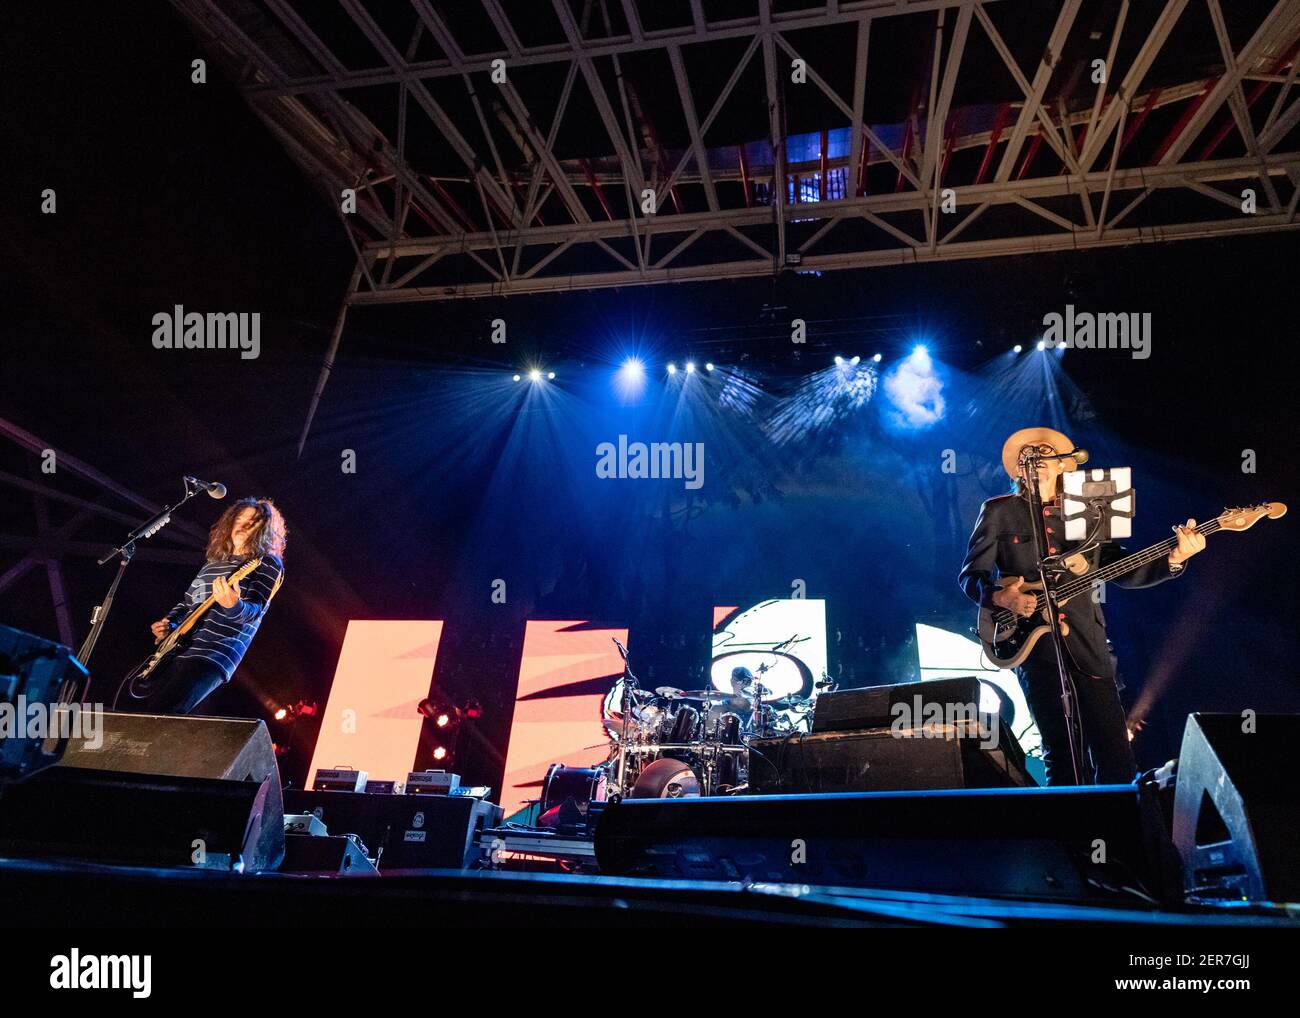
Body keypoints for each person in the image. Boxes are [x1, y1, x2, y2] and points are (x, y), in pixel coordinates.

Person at [958, 428, 1204, 784]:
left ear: (1063, 466)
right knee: (1060, 750)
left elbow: (1119, 567)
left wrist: (1175, 558)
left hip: (1086, 643)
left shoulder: (1089, 512)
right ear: (1018, 468)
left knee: (1115, 752)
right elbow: (971, 575)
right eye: (1030, 453)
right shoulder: (998, 511)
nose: (1038, 457)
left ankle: (1118, 834)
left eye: (1046, 452)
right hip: (1030, 642)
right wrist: (999, 596)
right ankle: (1072, 836)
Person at [117, 496, 286, 714]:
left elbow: (254, 612)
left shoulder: (267, 563)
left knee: (163, 717)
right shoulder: (213, 564)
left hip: (213, 654)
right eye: (240, 519)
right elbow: (188, 604)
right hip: (177, 651)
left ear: (265, 529)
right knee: (136, 714)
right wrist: (169, 624)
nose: (244, 526)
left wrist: (232, 605)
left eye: (253, 521)